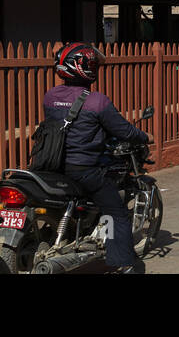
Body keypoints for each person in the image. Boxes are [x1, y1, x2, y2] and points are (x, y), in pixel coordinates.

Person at [41, 42, 150, 273]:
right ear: (86, 69)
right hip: (83, 169)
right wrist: (145, 136)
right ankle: (123, 263)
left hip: (51, 166)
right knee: (116, 212)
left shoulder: (50, 96)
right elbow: (124, 131)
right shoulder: (97, 100)